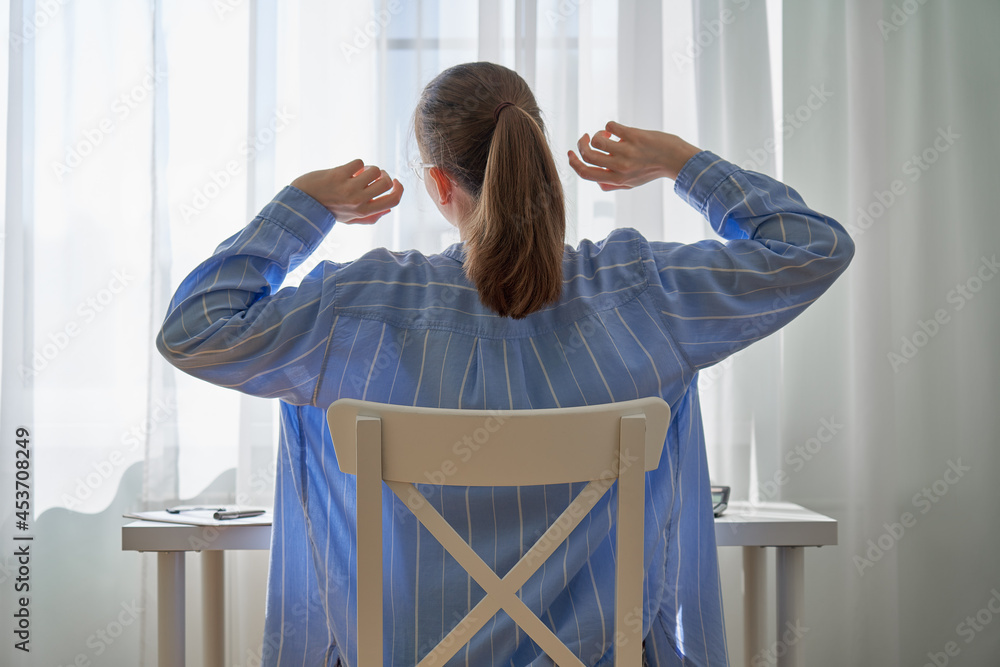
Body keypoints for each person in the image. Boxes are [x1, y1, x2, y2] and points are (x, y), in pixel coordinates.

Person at [157, 61, 853, 666]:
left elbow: (194, 330)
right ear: (539, 154)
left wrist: (302, 207)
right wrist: (680, 161)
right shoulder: (643, 294)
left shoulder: (357, 309)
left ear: (437, 181)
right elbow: (812, 248)